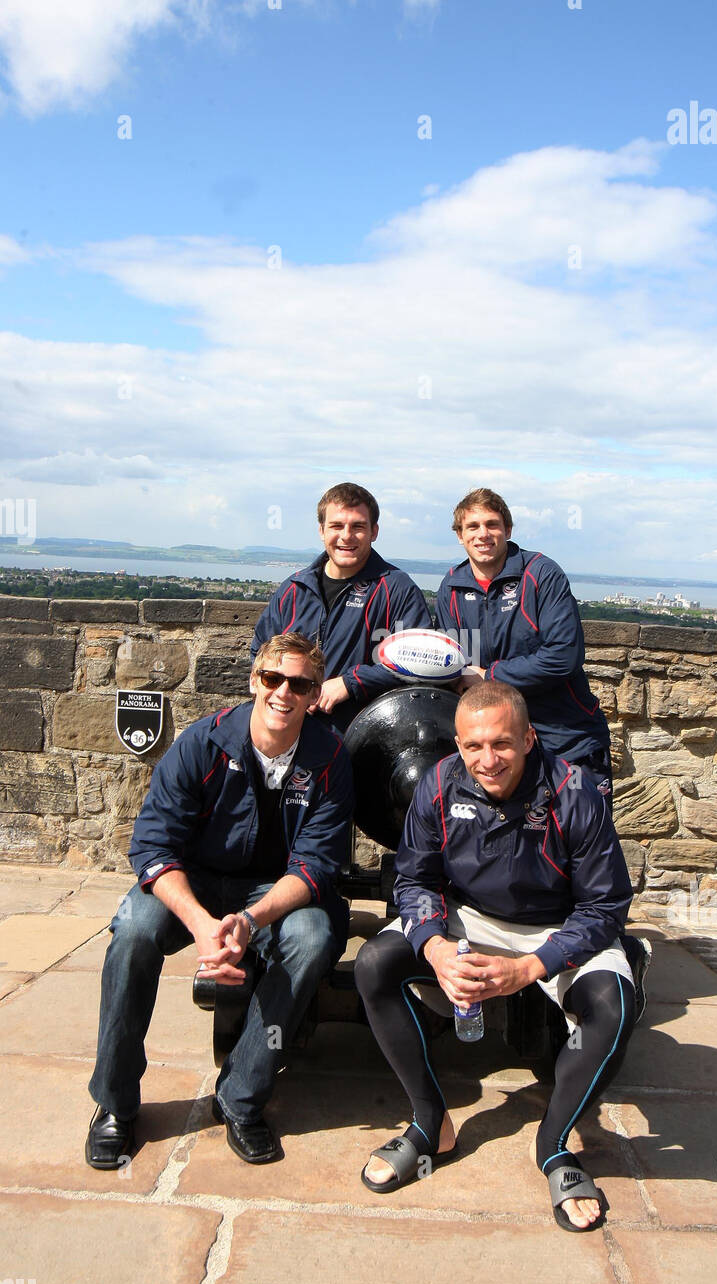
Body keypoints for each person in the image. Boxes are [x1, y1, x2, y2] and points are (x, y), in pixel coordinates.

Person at [354, 682, 647, 1231]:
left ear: (529, 737)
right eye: (473, 746)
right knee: (375, 963)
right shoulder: (439, 785)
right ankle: (428, 1122)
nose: (488, 761)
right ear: (457, 744)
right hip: (472, 917)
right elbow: (415, 879)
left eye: (503, 744)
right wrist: (436, 946)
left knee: (615, 1007)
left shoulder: (575, 791)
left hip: (559, 924)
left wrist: (532, 967)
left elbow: (606, 903)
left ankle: (555, 1146)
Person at [86, 632, 354, 1168]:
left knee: (312, 937)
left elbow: (317, 865)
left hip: (274, 888)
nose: (284, 693)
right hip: (198, 879)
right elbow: (153, 845)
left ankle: (241, 1097)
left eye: (300, 684)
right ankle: (114, 1104)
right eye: (274, 679)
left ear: (314, 693)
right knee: (134, 934)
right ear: (255, 681)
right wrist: (203, 923)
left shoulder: (329, 758)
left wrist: (251, 921)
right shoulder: (203, 744)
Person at [434, 487, 613, 801]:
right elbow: (454, 664)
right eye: (472, 527)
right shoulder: (451, 587)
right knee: (514, 848)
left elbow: (564, 656)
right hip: (498, 753)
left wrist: (490, 676)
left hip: (566, 741)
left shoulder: (541, 574)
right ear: (460, 536)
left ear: (508, 530)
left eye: (492, 524)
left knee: (586, 846)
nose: (483, 534)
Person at [251, 483, 431, 734]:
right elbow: (260, 654)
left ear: (374, 532)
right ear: (322, 531)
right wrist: (293, 688)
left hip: (360, 740)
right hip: (291, 734)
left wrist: (351, 683)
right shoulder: (294, 589)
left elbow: (422, 663)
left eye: (358, 526)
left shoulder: (398, 590)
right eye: (336, 526)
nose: (346, 536)